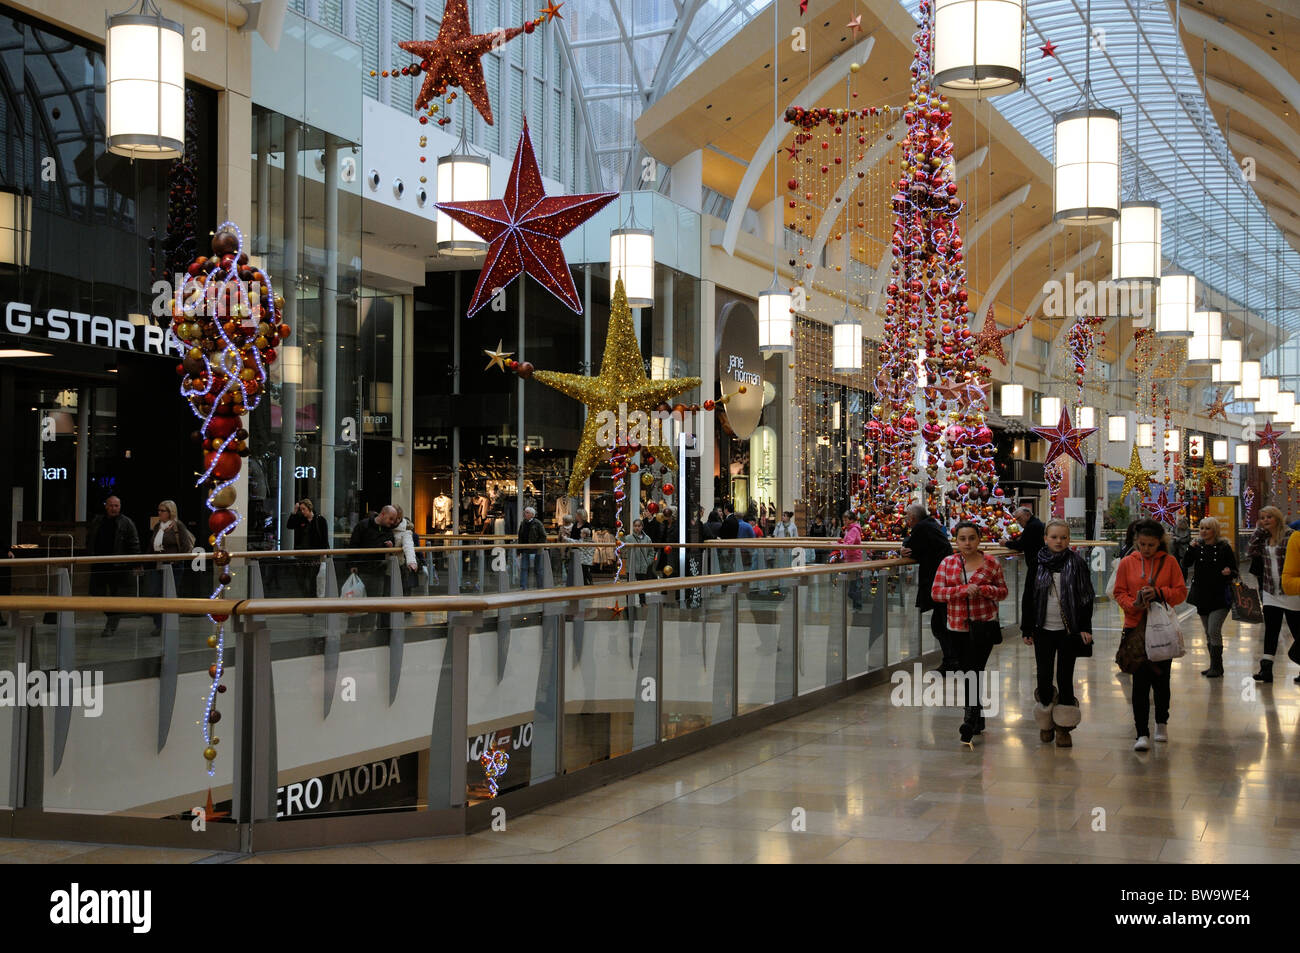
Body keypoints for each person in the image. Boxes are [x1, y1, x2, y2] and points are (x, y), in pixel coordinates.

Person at [1113, 519, 1188, 751]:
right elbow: (1118, 592)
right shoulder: (1127, 562)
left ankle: (1161, 723)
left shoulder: (1170, 562)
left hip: (1161, 627)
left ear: (1159, 544)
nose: (1146, 549)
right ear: (1136, 542)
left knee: (1162, 679)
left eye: (1151, 545)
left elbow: (1180, 592)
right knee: (1139, 683)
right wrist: (1133, 603)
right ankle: (1141, 732)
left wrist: (1158, 593)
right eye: (1142, 544)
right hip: (1135, 627)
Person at [931, 521, 1009, 744]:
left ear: (979, 539)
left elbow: (1003, 592)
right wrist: (962, 590)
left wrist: (984, 590)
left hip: (983, 625)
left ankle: (969, 717)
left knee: (974, 668)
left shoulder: (991, 563)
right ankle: (977, 715)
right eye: (962, 539)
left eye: (972, 538)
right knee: (968, 670)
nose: (967, 543)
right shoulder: (948, 563)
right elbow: (936, 593)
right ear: (956, 541)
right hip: (957, 626)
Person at [1023, 519, 1094, 747]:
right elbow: (1028, 597)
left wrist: (1085, 628)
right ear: (1045, 538)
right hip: (1043, 629)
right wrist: (1027, 627)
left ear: (1069, 539)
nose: (1059, 541)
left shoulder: (1077, 563)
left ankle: (1064, 726)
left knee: (1065, 677)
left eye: (1063, 537)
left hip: (1068, 631)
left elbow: (1085, 598)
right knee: (1043, 677)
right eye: (1054, 537)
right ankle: (1046, 722)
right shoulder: (1037, 564)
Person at [1246, 506, 1300, 683]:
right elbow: (1250, 551)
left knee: (1296, 631)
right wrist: (1259, 531)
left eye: (1269, 517)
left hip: (1290, 591)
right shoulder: (1263, 538)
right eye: (1262, 518)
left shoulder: (1290, 535)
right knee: (1271, 630)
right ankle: (1266, 670)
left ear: (1277, 518)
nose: (1265, 520)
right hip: (1270, 591)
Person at [901, 503, 955, 672]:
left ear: (913, 518)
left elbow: (911, 548)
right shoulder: (930, 525)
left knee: (940, 624)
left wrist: (903, 548)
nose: (906, 521)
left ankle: (952, 661)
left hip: (938, 581)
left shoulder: (922, 528)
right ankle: (951, 660)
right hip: (942, 579)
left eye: (907, 518)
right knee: (940, 623)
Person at [1182, 516, 1237, 679]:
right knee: (1208, 632)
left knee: (1214, 629)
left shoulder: (1224, 547)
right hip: (1202, 594)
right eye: (1201, 528)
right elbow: (1185, 563)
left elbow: (1234, 569)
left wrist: (1229, 571)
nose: (1204, 532)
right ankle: (1214, 666)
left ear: (1215, 531)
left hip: (1220, 595)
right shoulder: (1197, 547)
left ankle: (1217, 666)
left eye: (1208, 528)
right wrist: (1190, 548)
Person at [88, 495, 140, 638]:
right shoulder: (97, 521)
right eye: (111, 505)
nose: (113, 508)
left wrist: (135, 563)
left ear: (120, 507)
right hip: (99, 564)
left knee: (116, 596)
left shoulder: (126, 523)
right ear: (106, 506)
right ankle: (112, 614)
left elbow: (134, 543)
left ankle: (110, 626)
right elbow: (91, 539)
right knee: (96, 593)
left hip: (118, 566)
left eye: (116, 506)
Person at [146, 500, 194, 635]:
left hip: (174, 567)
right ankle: (159, 624)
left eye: (163, 511)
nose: (159, 513)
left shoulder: (178, 526)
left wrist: (175, 559)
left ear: (170, 512)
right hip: (158, 565)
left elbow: (185, 547)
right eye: (159, 510)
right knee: (155, 594)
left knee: (169, 594)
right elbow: (151, 546)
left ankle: (169, 624)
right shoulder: (157, 527)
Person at [348, 506, 397, 625]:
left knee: (373, 605)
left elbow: (391, 549)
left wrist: (391, 547)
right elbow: (353, 545)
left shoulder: (388, 531)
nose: (391, 523)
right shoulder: (363, 525)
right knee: (356, 603)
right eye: (390, 519)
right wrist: (353, 564)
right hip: (362, 571)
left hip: (378, 572)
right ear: (383, 514)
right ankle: (352, 631)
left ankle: (367, 632)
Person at [1004, 505, 1045, 635]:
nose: (1018, 522)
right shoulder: (1035, 524)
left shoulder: (1033, 526)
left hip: (1035, 565)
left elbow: (1022, 545)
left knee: (1029, 596)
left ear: (1027, 515)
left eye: (1019, 519)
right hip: (1036, 564)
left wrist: (1005, 543)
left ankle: (1028, 627)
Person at [287, 498, 331, 597]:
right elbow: (289, 525)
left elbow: (324, 538)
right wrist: (294, 511)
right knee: (301, 579)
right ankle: (306, 597)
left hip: (315, 555)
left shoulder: (320, 520)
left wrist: (324, 553)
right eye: (301, 509)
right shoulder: (300, 519)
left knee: (312, 579)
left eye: (304, 509)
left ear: (309, 508)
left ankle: (312, 599)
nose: (302, 512)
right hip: (301, 554)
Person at [836, 509, 864, 611]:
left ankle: (857, 606)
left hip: (854, 560)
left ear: (851, 520)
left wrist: (838, 545)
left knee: (854, 586)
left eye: (846, 519)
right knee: (852, 585)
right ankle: (856, 606)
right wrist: (839, 543)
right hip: (850, 560)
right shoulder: (850, 529)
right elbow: (847, 542)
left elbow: (849, 544)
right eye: (844, 520)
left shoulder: (853, 530)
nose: (844, 521)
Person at [517, 505, 547, 589]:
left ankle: (540, 587)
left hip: (536, 550)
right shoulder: (523, 523)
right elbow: (520, 537)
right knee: (524, 568)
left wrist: (538, 546)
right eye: (525, 512)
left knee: (538, 569)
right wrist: (519, 551)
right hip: (525, 549)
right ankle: (523, 587)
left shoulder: (537, 523)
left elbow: (543, 536)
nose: (525, 514)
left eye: (527, 512)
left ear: (532, 514)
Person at [392, 505, 420, 595]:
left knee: (403, 591)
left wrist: (412, 561)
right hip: (384, 565)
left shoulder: (405, 530)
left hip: (399, 564)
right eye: (395, 518)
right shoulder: (384, 526)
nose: (396, 521)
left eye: (399, 518)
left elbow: (409, 545)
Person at [625, 518, 654, 603]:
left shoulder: (647, 539)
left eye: (639, 526)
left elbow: (652, 552)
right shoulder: (628, 538)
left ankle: (643, 603)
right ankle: (629, 604)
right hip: (631, 567)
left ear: (642, 527)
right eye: (635, 526)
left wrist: (647, 562)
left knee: (642, 588)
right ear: (633, 527)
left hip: (642, 568)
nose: (637, 528)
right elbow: (622, 547)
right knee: (629, 588)